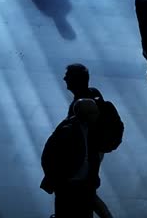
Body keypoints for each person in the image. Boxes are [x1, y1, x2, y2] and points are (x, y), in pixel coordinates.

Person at [62, 64, 115, 218]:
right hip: (95, 151)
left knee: (87, 193)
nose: (64, 78)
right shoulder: (94, 93)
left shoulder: (78, 106)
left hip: (87, 154)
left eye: (68, 76)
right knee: (89, 193)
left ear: (75, 80)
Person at [40, 98, 102, 218]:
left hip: (83, 186)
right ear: (85, 114)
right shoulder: (67, 131)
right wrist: (60, 180)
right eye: (94, 112)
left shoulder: (88, 129)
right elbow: (49, 157)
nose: (98, 115)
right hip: (69, 187)